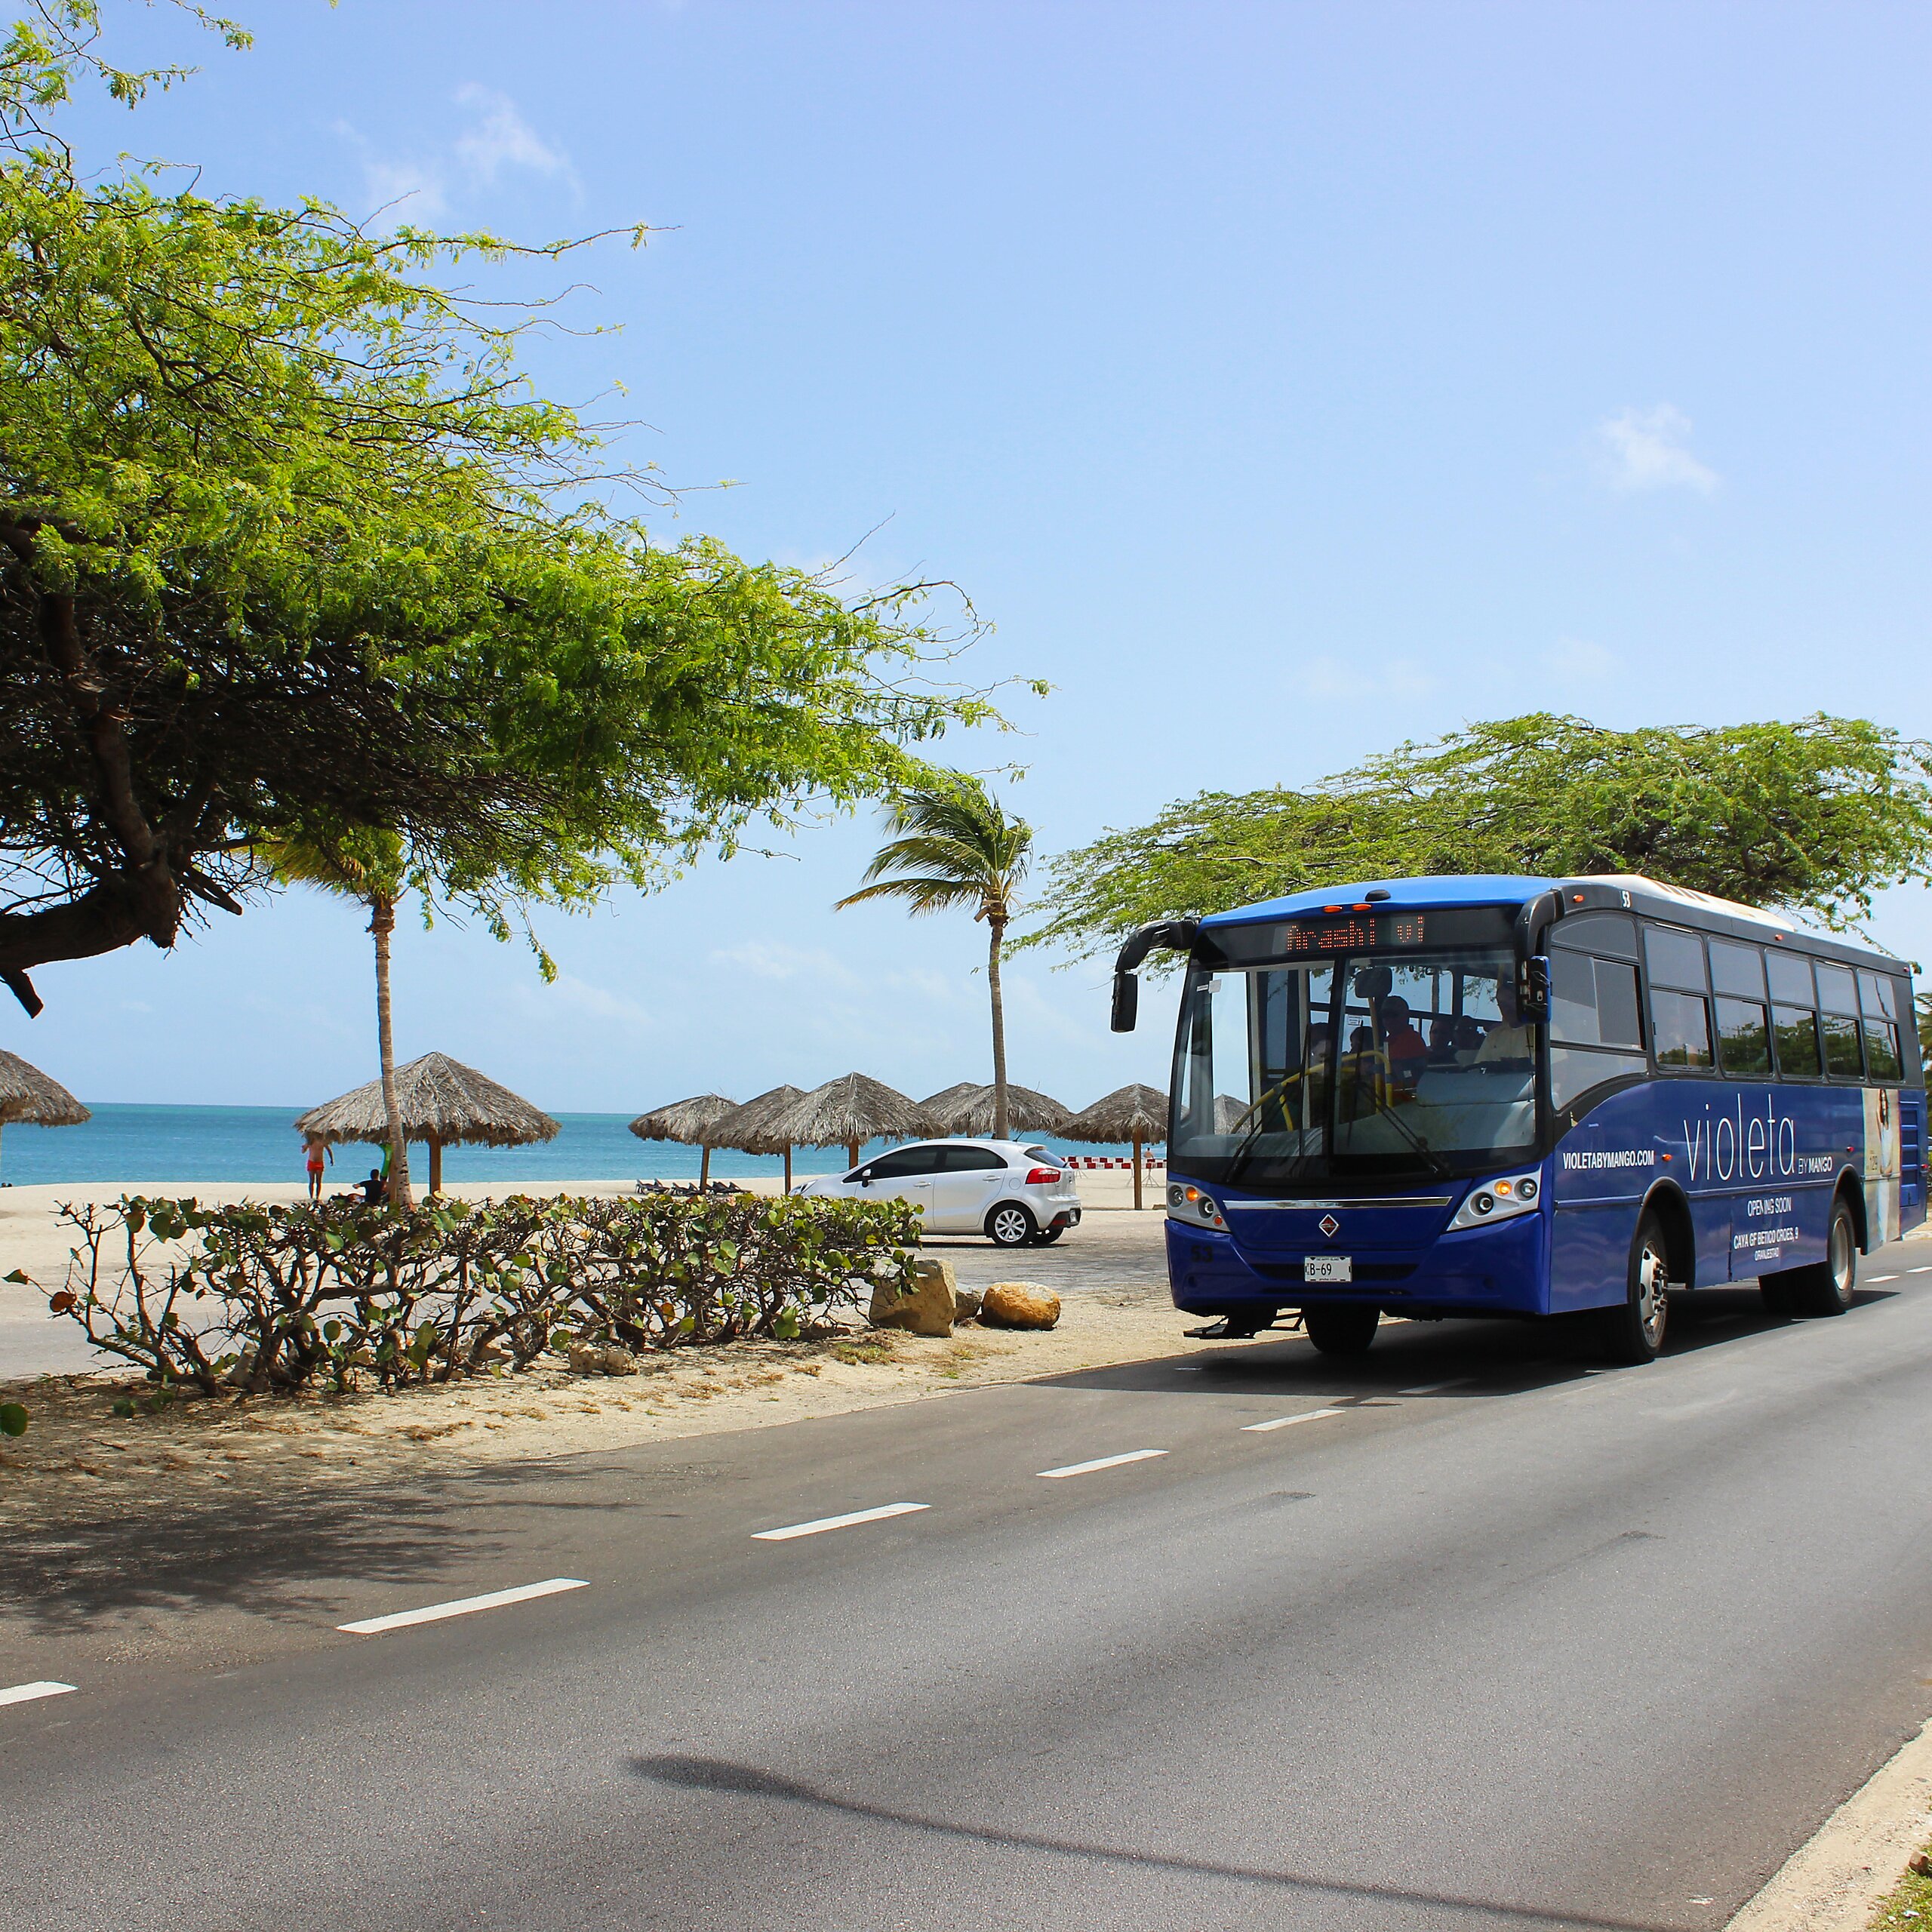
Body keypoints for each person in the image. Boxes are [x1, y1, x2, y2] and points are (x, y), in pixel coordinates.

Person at [1475, 980, 1535, 1063]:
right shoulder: (1494, 1036)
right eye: (1502, 1003)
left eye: (1510, 999)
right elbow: (1479, 1067)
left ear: (1523, 1000)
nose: (1506, 1007)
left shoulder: (1539, 1033)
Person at [1380, 997, 1429, 1082]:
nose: (1389, 1020)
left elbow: (1407, 1077)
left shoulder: (1413, 1040)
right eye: (1385, 1015)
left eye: (1394, 1015)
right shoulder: (1388, 1041)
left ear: (1406, 1016)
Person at [303, 1134, 331, 1204]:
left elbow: (329, 1150)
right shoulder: (310, 1142)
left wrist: (331, 1159)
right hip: (311, 1162)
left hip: (319, 1163)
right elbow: (303, 1152)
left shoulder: (323, 1142)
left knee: (319, 1181)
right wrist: (304, 1148)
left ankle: (318, 1196)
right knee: (311, 1181)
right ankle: (311, 1196)